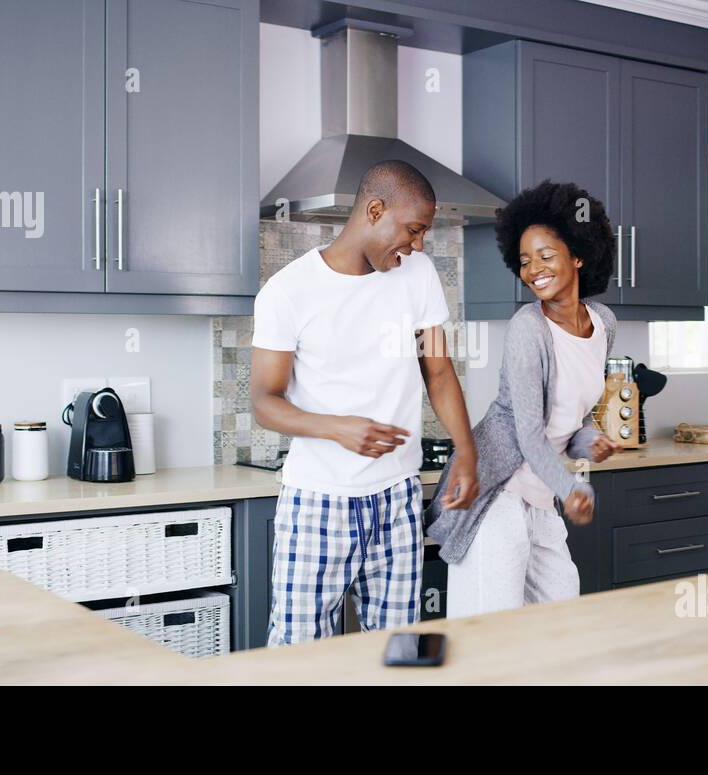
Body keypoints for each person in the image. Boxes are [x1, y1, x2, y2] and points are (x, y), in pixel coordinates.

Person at [251, 159, 480, 647]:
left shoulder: (417, 275)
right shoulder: (287, 292)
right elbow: (264, 403)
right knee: (298, 659)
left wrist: (466, 450)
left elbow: (437, 372)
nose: (417, 245)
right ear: (375, 210)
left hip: (397, 498)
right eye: (413, 229)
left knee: (398, 653)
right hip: (316, 503)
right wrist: (338, 427)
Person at [427, 180, 620, 618]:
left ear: (578, 254)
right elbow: (529, 433)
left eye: (546, 256)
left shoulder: (603, 324)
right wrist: (570, 488)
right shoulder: (527, 327)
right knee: (488, 627)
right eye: (525, 260)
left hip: (539, 494)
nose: (534, 269)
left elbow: (574, 418)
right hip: (497, 490)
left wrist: (593, 442)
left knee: (561, 614)